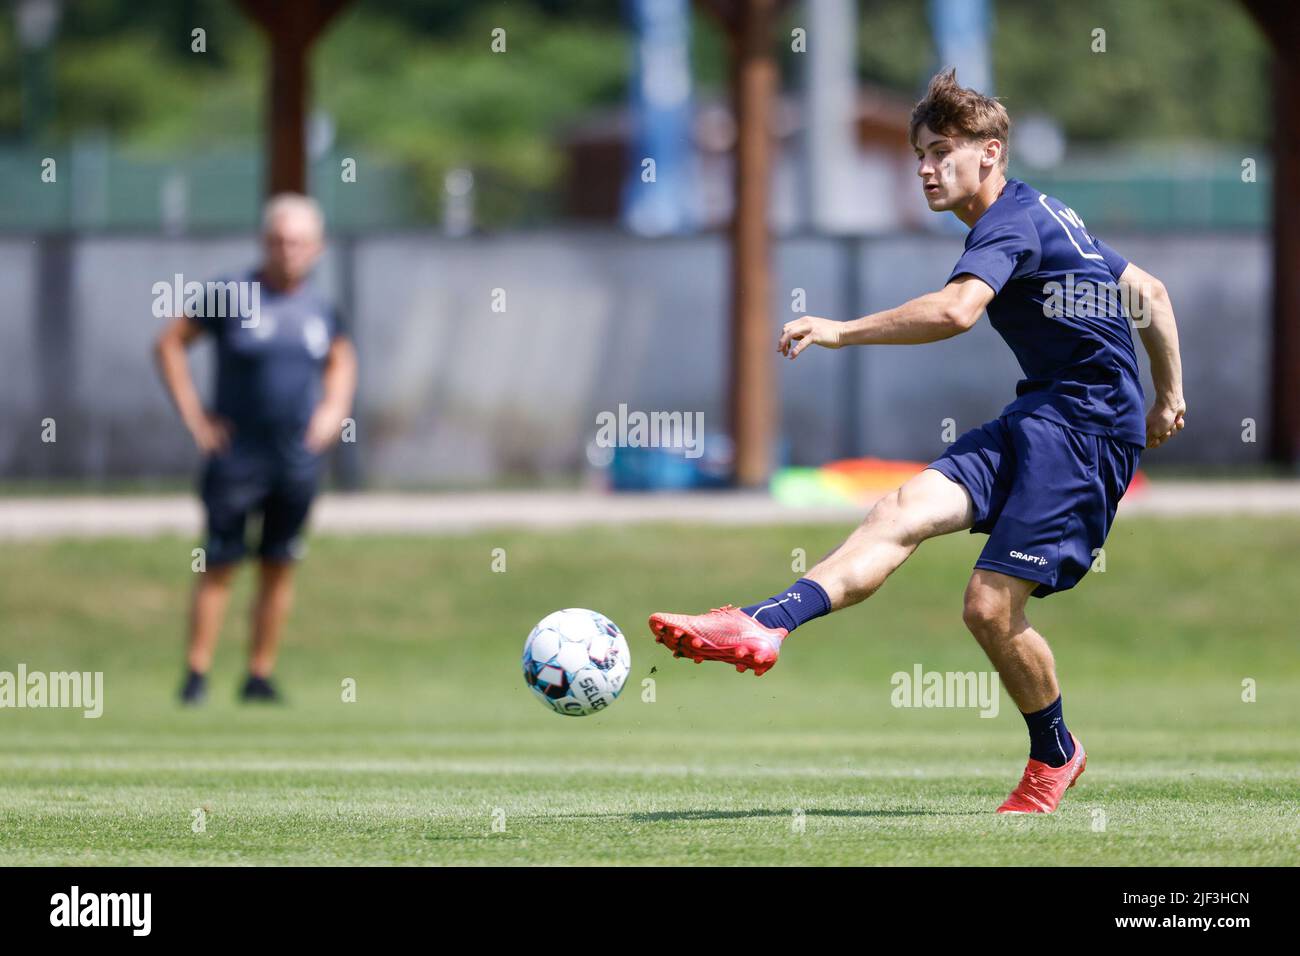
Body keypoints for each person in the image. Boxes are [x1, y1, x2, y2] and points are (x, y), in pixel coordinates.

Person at [646, 69, 1186, 814]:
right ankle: (763, 623)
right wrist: (1170, 396)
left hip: (1088, 433)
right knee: (899, 508)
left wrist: (840, 329)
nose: (927, 169)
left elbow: (958, 310)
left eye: (941, 152)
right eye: (919, 156)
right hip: (1043, 415)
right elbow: (1150, 294)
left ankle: (1056, 755)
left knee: (989, 608)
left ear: (990, 152)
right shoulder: (1044, 212)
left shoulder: (1010, 222)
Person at [153, 193, 357, 705]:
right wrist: (196, 419)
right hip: (236, 456)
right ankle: (196, 675)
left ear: (317, 247)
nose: (288, 249)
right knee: (219, 561)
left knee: (279, 562)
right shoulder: (230, 293)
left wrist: (333, 412)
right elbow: (170, 343)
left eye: (299, 241)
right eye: (279, 240)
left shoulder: (320, 309)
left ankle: (259, 675)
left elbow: (342, 358)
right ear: (265, 242)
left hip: (296, 458)